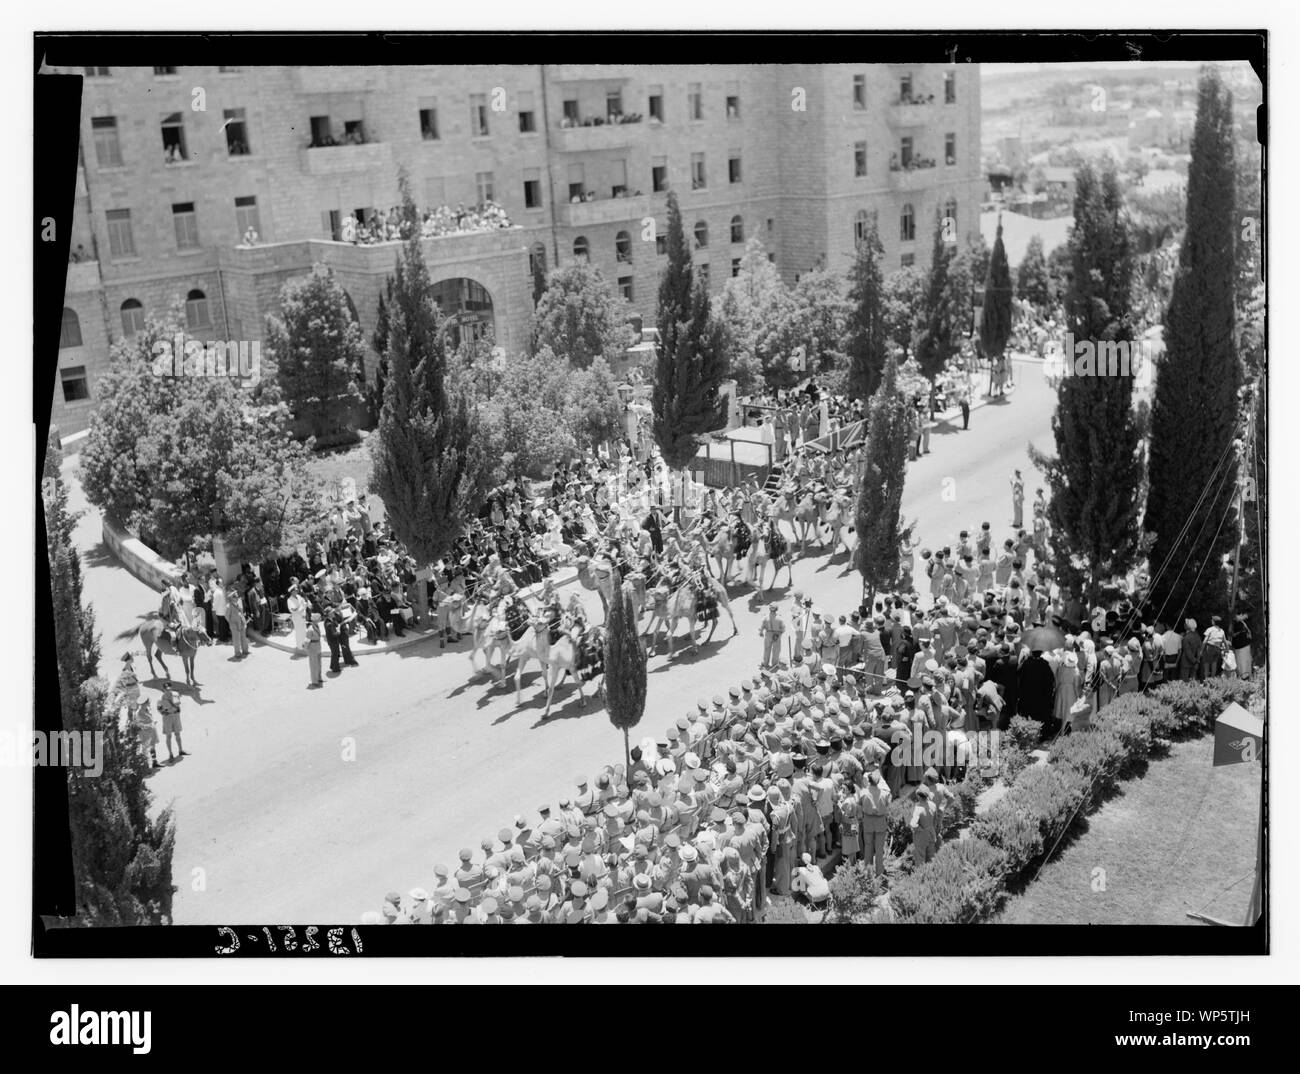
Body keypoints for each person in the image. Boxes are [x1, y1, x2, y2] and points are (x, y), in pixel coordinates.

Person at [156, 681, 188, 762]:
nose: (168, 691)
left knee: (178, 734)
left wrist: (175, 709)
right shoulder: (160, 699)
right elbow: (160, 710)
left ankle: (180, 750)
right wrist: (166, 711)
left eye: (169, 689)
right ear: (163, 689)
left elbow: (178, 706)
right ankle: (170, 754)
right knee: (169, 736)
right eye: (166, 689)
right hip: (167, 718)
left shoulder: (175, 695)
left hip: (176, 716)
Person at [759, 603, 785, 670]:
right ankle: (774, 664)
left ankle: (765, 663)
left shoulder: (766, 617)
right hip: (776, 635)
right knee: (776, 650)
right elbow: (783, 628)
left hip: (768, 634)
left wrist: (761, 632)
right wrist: (779, 634)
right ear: (777, 609)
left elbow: (761, 626)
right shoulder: (779, 618)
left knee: (767, 649)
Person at [226, 584, 249, 658]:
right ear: (231, 598)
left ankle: (245, 650)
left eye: (237, 596)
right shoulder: (228, 606)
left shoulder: (239, 603)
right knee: (236, 639)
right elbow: (227, 616)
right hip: (234, 624)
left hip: (241, 622)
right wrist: (232, 623)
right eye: (235, 596)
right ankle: (237, 653)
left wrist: (244, 621)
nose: (237, 597)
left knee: (243, 637)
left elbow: (241, 613)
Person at [1231, 613, 1253, 680]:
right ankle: (1244, 676)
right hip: (1241, 645)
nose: (1241, 615)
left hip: (1243, 645)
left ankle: (1246, 676)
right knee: (1242, 661)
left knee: (1244, 661)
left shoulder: (1242, 623)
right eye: (1240, 614)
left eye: (1241, 614)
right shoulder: (1239, 623)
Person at [287, 581, 308, 651]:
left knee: (304, 630)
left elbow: (303, 601)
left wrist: (305, 604)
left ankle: (303, 643)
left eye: (297, 590)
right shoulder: (289, 600)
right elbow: (293, 610)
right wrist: (301, 607)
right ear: (292, 592)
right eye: (295, 590)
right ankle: (299, 646)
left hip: (303, 616)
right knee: (299, 632)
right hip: (297, 618)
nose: (297, 591)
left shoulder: (298, 596)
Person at [306, 612, 323, 687]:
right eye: (319, 618)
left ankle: (319, 677)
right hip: (312, 647)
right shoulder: (310, 629)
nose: (320, 619)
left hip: (318, 646)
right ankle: (314, 681)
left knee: (319, 664)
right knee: (313, 665)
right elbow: (306, 641)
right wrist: (307, 649)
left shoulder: (317, 626)